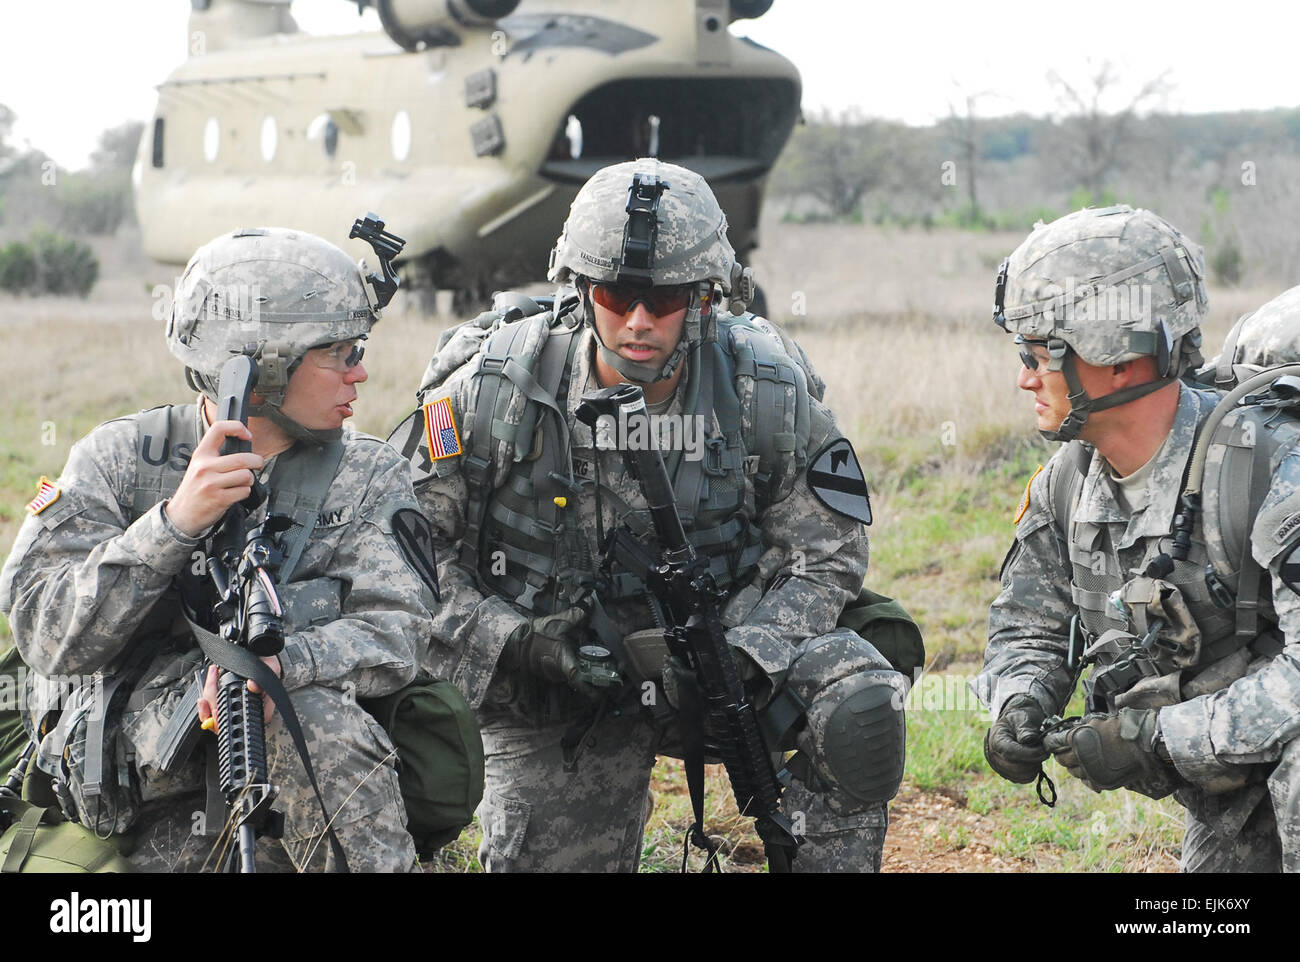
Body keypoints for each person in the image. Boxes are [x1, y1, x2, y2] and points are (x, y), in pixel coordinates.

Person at [403, 158, 905, 872]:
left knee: (858, 705)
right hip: (557, 694)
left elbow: (826, 556)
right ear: (580, 288)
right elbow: (412, 561)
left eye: (664, 299)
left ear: (705, 297)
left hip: (724, 669)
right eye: (617, 293)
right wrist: (520, 643)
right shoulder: (491, 392)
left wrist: (747, 649)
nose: (639, 321)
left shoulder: (763, 390)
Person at [0, 225, 434, 872]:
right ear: (262, 367)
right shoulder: (118, 463)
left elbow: (400, 632)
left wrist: (284, 668)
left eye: (358, 349)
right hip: (144, 785)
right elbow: (47, 634)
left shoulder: (368, 477)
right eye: (338, 353)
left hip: (309, 782)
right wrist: (171, 526)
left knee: (309, 715)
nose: (360, 372)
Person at [977, 204, 1300, 871]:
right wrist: (1023, 695)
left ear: (1120, 360)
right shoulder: (1068, 481)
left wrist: (1154, 738)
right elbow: (1029, 621)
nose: (1024, 377)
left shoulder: (1274, 473)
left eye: (1041, 355)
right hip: (1236, 786)